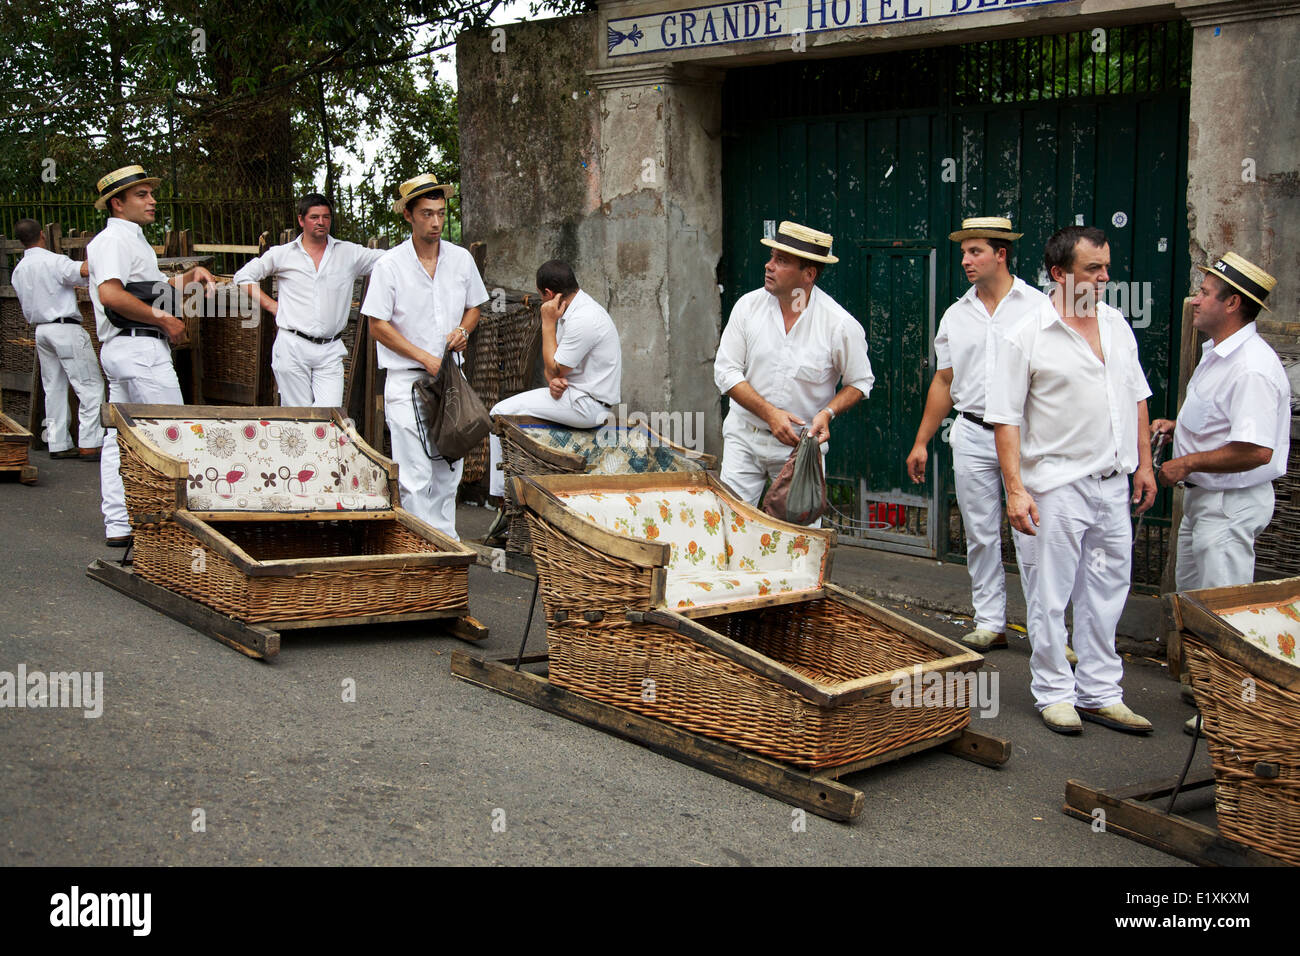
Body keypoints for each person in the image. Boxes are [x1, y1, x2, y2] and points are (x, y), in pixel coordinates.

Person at [986, 225, 1157, 736]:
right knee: (1050, 593)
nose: (1105, 277)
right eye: (1093, 269)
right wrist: (1015, 489)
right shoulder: (1024, 334)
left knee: (1107, 591)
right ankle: (1054, 692)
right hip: (1054, 485)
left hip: (1112, 479)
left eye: (1106, 267)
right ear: (1059, 273)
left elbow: (1137, 398)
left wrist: (1144, 464)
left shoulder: (1117, 325)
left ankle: (1101, 691)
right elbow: (1005, 418)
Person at [1151, 254, 1289, 733]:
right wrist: (1178, 429)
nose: (1196, 300)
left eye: (1206, 293)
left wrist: (1185, 462)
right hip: (1207, 501)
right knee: (1199, 601)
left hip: (1230, 504)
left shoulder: (1250, 366)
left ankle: (1233, 709)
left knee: (1224, 608)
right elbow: (1221, 425)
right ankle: (1213, 688)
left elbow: (1254, 449)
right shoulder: (1219, 352)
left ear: (1232, 304)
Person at [906, 217, 1052, 652]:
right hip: (970, 431)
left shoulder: (1039, 308)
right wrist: (921, 441)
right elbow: (944, 381)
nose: (966, 261)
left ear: (1001, 254)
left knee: (1032, 533)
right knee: (980, 532)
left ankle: (1047, 629)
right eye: (964, 252)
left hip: (1025, 435)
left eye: (976, 252)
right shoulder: (957, 313)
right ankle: (990, 621)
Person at [86, 165, 216, 548]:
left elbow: (148, 290)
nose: (152, 200)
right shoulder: (113, 241)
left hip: (125, 348)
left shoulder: (133, 239)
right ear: (117, 203)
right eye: (141, 195)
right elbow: (111, 295)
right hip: (138, 347)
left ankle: (119, 524)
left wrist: (190, 276)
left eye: (150, 193)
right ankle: (180, 525)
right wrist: (165, 319)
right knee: (173, 430)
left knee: (119, 438)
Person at [361, 175, 487, 539]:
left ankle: (446, 548)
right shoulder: (390, 264)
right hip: (406, 379)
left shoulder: (460, 259)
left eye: (441, 214)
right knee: (415, 473)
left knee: (449, 469)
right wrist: (424, 357)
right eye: (427, 214)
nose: (436, 222)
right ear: (408, 216)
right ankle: (420, 550)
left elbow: (475, 307)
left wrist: (463, 331)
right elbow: (377, 326)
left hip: (450, 380)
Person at [713, 220, 873, 507]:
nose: (769, 266)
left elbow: (860, 382)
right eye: (772, 257)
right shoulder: (748, 307)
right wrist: (770, 414)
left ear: (808, 274)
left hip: (799, 448)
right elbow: (726, 372)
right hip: (743, 436)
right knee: (730, 522)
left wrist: (828, 413)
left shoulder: (839, 325)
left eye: (781, 261)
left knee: (800, 539)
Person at [483, 260, 621, 544]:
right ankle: (514, 500)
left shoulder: (584, 318)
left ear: (548, 293)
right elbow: (553, 370)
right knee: (513, 414)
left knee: (499, 413)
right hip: (574, 395)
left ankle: (502, 503)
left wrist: (547, 324)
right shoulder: (573, 311)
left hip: (588, 405)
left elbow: (554, 367)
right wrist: (555, 377)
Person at [232, 193, 386, 407]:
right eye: (314, 217)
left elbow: (388, 260)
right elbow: (242, 276)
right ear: (301, 220)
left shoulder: (349, 253)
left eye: (326, 217)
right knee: (298, 420)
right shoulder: (282, 254)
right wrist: (272, 306)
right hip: (292, 345)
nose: (321, 222)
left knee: (328, 416)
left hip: (331, 348)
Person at [10, 218, 104, 462]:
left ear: (21, 240)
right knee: (90, 386)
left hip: (41, 331)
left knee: (53, 389)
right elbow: (82, 271)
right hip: (65, 328)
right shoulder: (54, 261)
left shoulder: (19, 270)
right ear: (42, 235)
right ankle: (90, 443)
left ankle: (58, 442)